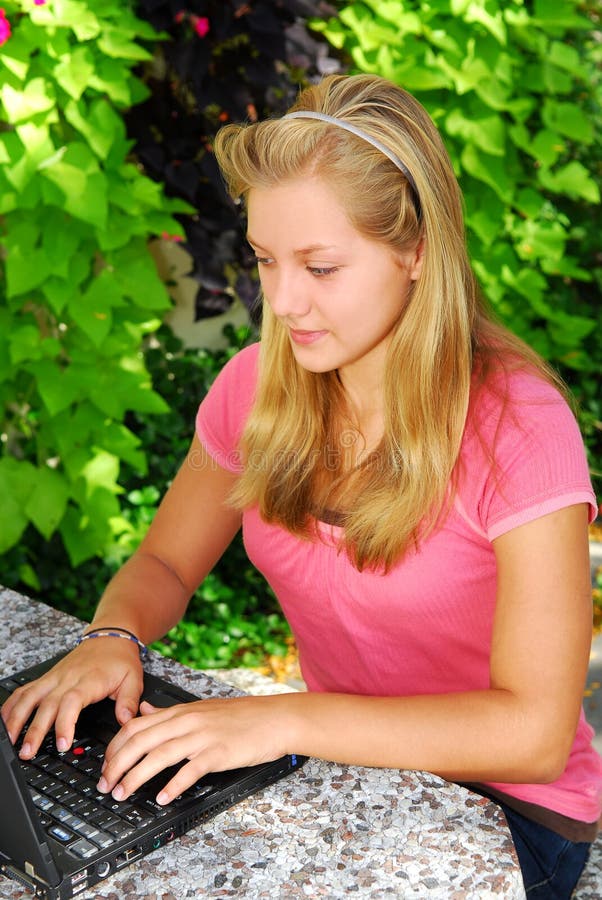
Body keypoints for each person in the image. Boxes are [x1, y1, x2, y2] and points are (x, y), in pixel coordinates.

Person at [2, 73, 600, 897]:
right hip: (337, 758)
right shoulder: (255, 388)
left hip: (509, 811)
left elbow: (533, 732)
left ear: (417, 250)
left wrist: (276, 717)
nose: (283, 301)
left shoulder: (520, 428)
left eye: (321, 267)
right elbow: (166, 568)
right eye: (265, 260)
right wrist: (113, 638)